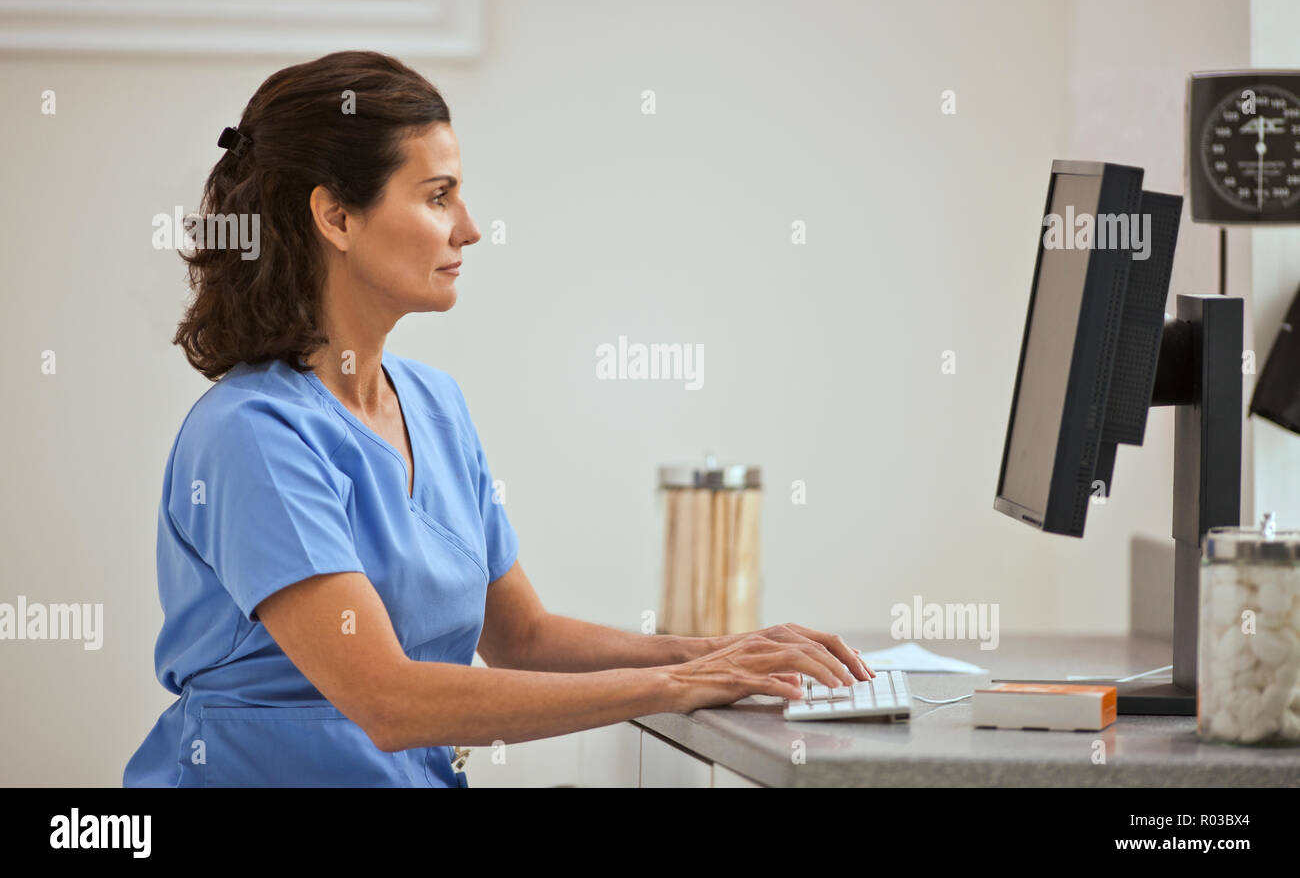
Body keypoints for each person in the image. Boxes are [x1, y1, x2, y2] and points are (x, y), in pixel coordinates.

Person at [123, 51, 872, 788]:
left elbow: (521, 638)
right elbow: (388, 699)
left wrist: (712, 654)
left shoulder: (434, 405)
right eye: (439, 196)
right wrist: (675, 688)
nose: (470, 228)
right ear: (337, 216)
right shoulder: (252, 435)